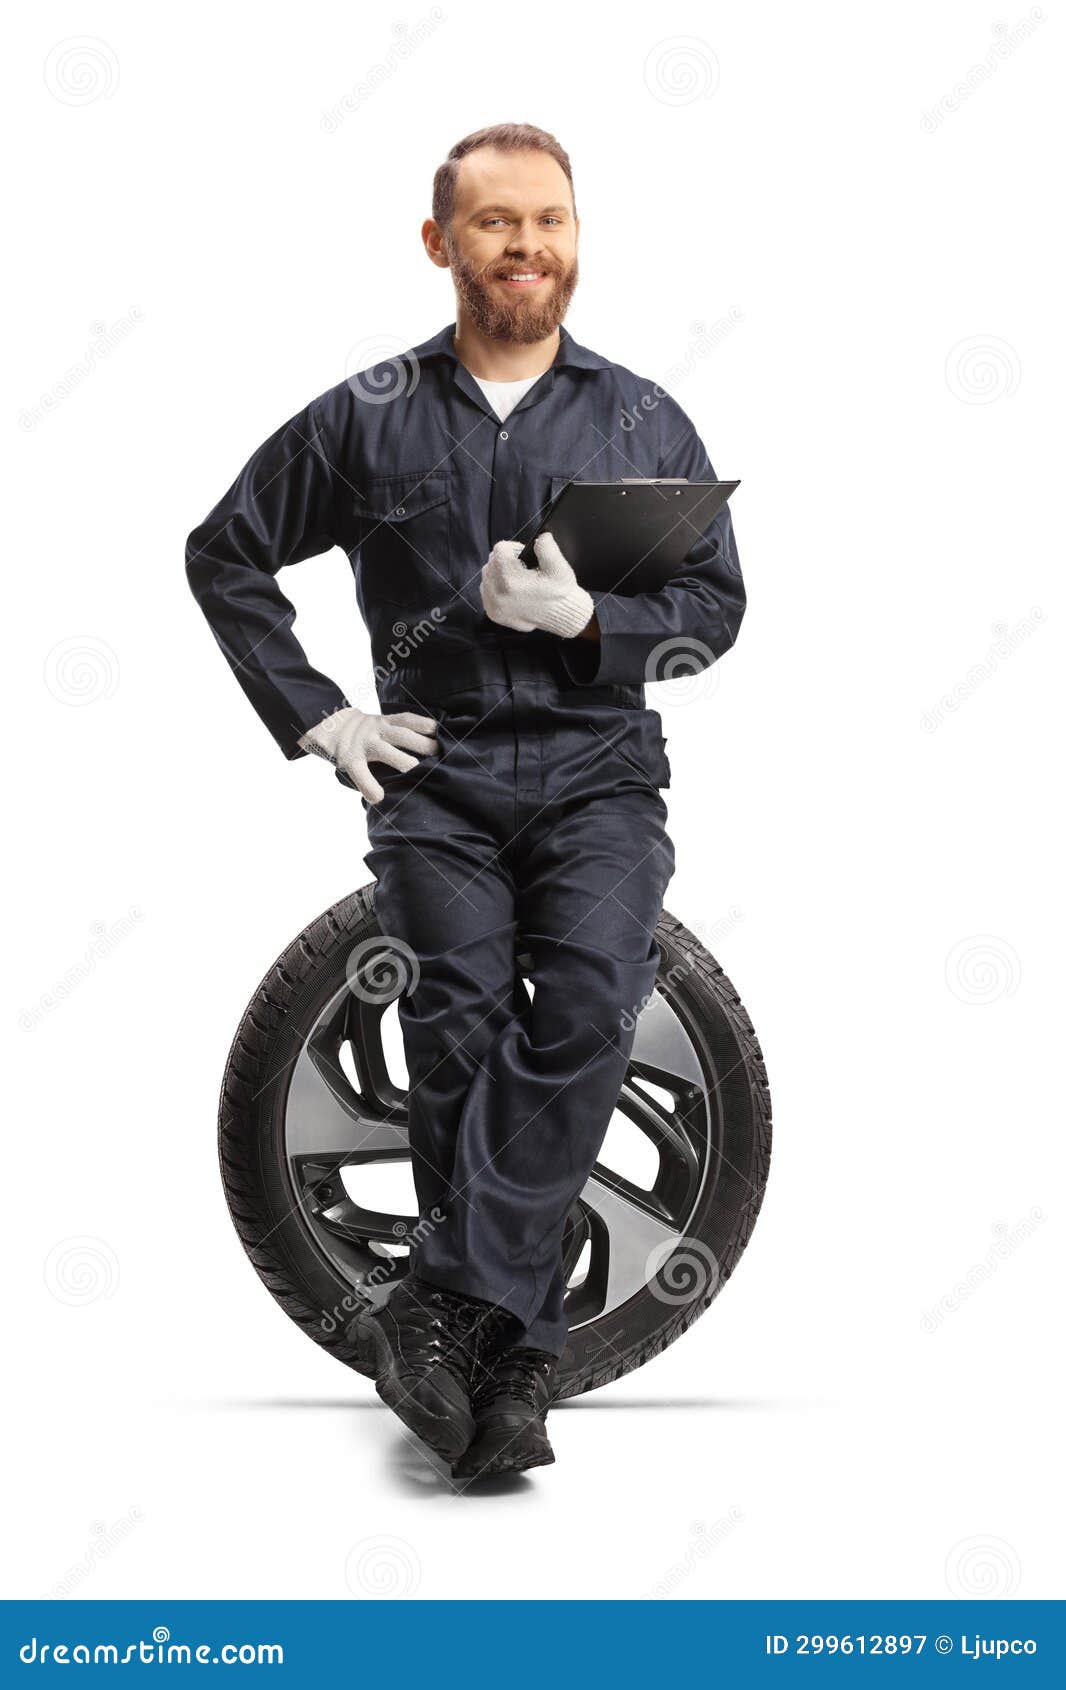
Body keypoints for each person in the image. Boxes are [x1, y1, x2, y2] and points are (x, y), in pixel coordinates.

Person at [186, 121, 745, 1481]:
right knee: (455, 1020)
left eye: (548, 220)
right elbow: (225, 553)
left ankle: (448, 1320)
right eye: (495, 222)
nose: (525, 246)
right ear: (441, 243)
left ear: (574, 238)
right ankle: (520, 1365)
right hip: (433, 779)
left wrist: (584, 620)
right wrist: (320, 713)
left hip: (597, 775)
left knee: (593, 1013)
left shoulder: (639, 416)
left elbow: (712, 612)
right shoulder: (368, 412)